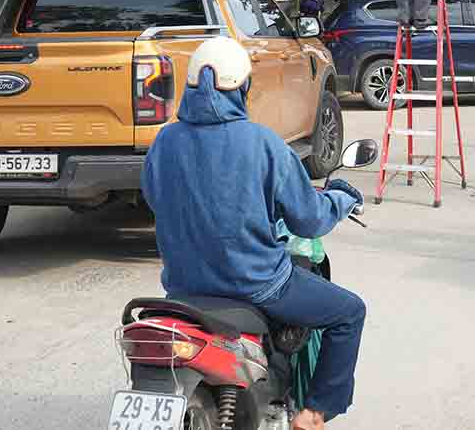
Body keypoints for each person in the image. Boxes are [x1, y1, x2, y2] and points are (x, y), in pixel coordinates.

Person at [142, 38, 366, 430]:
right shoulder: (263, 144)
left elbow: (155, 198)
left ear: (191, 85)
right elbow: (310, 221)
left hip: (182, 289)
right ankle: (313, 413)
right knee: (349, 312)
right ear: (243, 88)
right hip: (258, 286)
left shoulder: (164, 141)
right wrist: (342, 199)